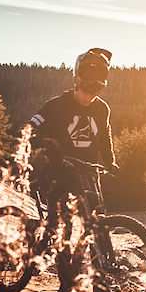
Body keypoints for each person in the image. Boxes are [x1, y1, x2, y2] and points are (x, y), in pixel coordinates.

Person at [28, 48, 119, 218]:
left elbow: (104, 136)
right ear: (76, 83)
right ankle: (45, 241)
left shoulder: (102, 109)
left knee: (97, 218)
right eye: (85, 92)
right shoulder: (56, 106)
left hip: (89, 172)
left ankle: (97, 245)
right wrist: (43, 141)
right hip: (60, 170)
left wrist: (110, 162)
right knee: (59, 223)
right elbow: (29, 129)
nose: (88, 98)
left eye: (93, 94)